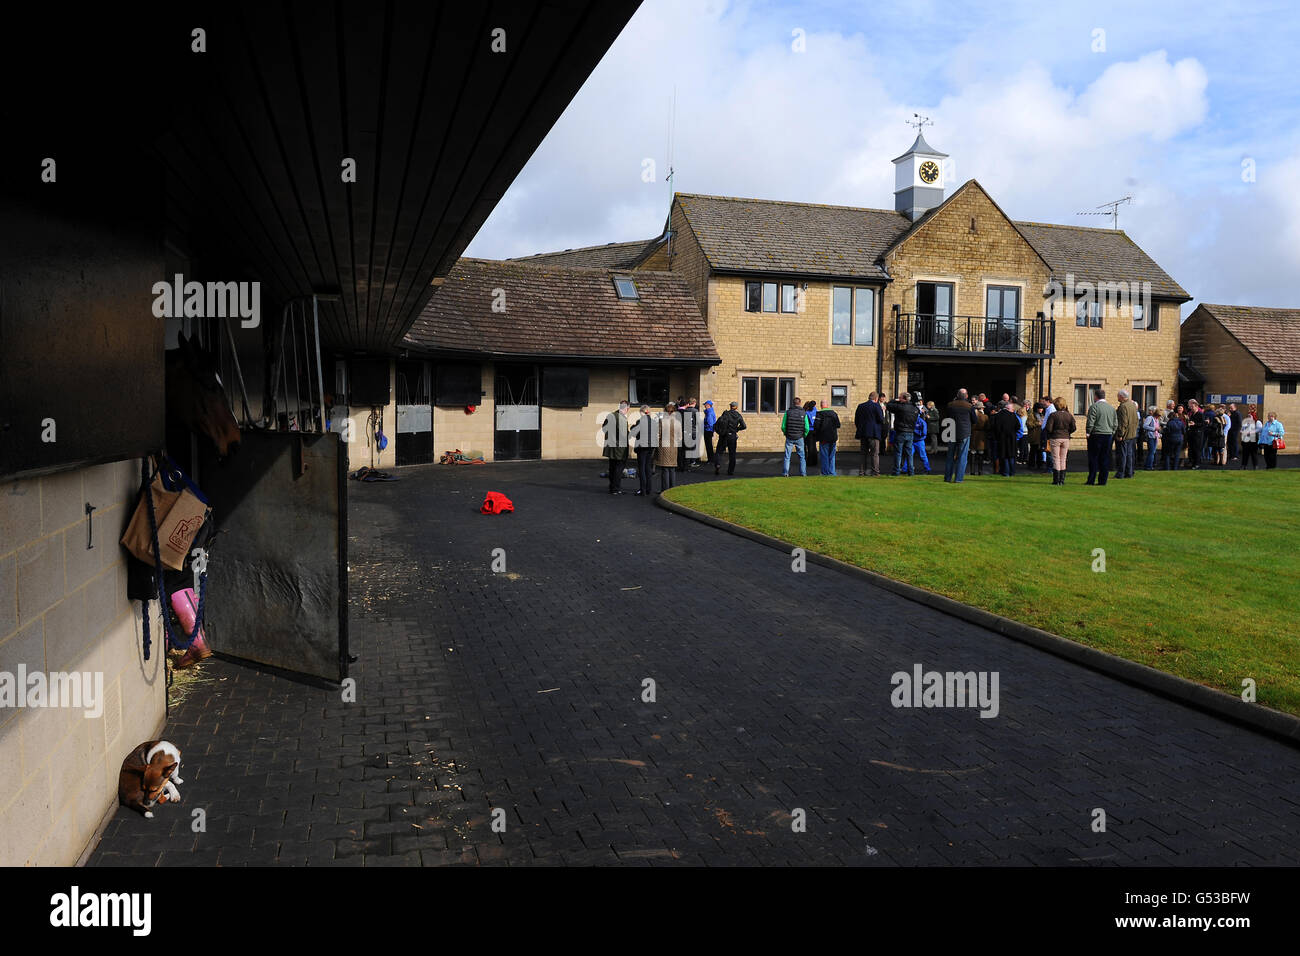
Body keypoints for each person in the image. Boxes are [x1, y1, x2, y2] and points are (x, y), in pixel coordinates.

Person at [944, 388, 976, 483]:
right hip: (964, 432)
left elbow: (947, 417)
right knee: (962, 457)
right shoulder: (970, 406)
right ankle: (958, 478)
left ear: (957, 395)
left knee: (950, 456)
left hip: (951, 431)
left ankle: (947, 477)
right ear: (966, 396)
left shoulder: (950, 405)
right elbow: (974, 420)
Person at [1085, 388, 1116, 485]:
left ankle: (1091, 479)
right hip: (1108, 435)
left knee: (1093, 458)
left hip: (1096, 434)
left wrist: (1088, 432)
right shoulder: (1111, 408)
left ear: (1095, 396)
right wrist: (1112, 432)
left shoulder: (1094, 407)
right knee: (1105, 458)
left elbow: (1091, 421)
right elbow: (1115, 423)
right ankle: (1103, 480)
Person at [1042, 397, 1076, 484]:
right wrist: (1067, 432)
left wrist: (1051, 434)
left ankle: (1056, 480)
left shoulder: (1053, 415)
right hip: (1065, 438)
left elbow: (1048, 428)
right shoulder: (1069, 415)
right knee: (1063, 459)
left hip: (1055, 437)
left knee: (1056, 458)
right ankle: (1062, 480)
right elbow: (1073, 428)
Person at [885, 392, 919, 475]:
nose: (899, 399)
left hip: (900, 432)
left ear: (903, 399)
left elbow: (888, 405)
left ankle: (896, 471)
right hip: (910, 432)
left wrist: (895, 400)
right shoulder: (915, 408)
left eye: (900, 397)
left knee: (898, 452)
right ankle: (911, 471)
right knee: (909, 453)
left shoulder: (900, 407)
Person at [855, 391, 885, 476]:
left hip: (863, 433)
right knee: (875, 454)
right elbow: (881, 419)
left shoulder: (861, 406)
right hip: (874, 433)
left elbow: (856, 420)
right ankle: (875, 472)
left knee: (863, 454)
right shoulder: (877, 406)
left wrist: (860, 428)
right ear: (876, 399)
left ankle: (862, 472)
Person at [603, 401, 630, 494]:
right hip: (619, 448)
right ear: (627, 408)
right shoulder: (621, 418)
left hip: (610, 446)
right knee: (619, 468)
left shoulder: (610, 415)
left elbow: (604, 428)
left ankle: (612, 487)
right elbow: (623, 434)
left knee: (612, 467)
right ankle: (616, 488)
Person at [712, 401, 746, 475]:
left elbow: (720, 423)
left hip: (724, 436)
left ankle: (717, 464)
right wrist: (737, 429)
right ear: (736, 407)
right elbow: (744, 426)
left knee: (719, 452)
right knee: (732, 454)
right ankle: (730, 471)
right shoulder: (738, 415)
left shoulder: (725, 414)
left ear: (730, 406)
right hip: (732, 436)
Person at [1113, 388, 1140, 479]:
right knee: (1129, 454)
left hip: (1125, 435)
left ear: (1121, 396)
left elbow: (1123, 422)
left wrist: (1120, 434)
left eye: (1118, 396)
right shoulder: (1132, 405)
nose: (1117, 398)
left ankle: (1121, 473)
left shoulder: (1123, 406)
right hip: (1132, 434)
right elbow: (1136, 420)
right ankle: (1129, 472)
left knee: (1123, 455)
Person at [655, 403, 681, 492]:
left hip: (664, 447)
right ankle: (672, 490)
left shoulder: (662, 421)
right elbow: (680, 437)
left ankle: (664, 490)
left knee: (665, 469)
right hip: (674, 447)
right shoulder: (678, 422)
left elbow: (658, 435)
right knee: (672, 469)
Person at [631, 404, 656, 496]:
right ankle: (648, 489)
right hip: (651, 446)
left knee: (642, 468)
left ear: (642, 412)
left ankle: (643, 490)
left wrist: (632, 428)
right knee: (648, 468)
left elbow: (634, 433)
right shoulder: (654, 422)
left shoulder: (640, 421)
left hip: (642, 447)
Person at [780, 396, 809, 476]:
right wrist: (804, 435)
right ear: (799, 403)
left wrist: (786, 433)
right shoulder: (804, 413)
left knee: (787, 456)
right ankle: (803, 473)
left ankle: (785, 473)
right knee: (802, 457)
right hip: (800, 437)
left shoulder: (788, 412)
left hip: (789, 437)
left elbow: (783, 426)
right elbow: (807, 427)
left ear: (793, 403)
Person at [992, 401, 1019, 476]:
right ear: (1008, 408)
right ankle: (1012, 472)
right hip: (1012, 438)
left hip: (1002, 438)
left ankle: (1006, 472)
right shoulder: (1013, 415)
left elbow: (996, 428)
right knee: (1012, 455)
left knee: (1004, 455)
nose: (1013, 410)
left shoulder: (998, 415)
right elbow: (1018, 426)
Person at [814, 400, 841, 475]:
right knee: (832, 456)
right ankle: (832, 472)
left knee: (824, 455)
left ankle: (825, 472)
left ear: (821, 405)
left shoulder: (819, 414)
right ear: (827, 405)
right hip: (833, 437)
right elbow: (838, 425)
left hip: (823, 438)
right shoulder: (834, 414)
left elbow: (816, 426)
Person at [1185, 399, 1205, 469]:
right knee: (1191, 449)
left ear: (1196, 406)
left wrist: (1195, 424)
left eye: (1192, 407)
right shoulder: (1192, 414)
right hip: (1191, 434)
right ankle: (1192, 462)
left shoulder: (1200, 414)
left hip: (1198, 434)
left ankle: (1196, 464)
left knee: (1197, 449)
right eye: (1190, 407)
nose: (1191, 408)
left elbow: (1203, 424)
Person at [970, 400, 988, 475]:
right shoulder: (985, 416)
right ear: (982, 408)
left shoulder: (972, 416)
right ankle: (980, 471)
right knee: (980, 453)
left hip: (973, 435)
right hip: (982, 436)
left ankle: (972, 471)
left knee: (973, 452)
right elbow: (988, 426)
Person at [1141, 406, 1161, 471]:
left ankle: (1148, 465)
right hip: (1150, 437)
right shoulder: (1149, 418)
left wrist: (1159, 434)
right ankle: (1149, 466)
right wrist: (1154, 428)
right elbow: (1145, 426)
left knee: (1153, 452)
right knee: (1151, 452)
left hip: (1155, 437)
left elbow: (1158, 428)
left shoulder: (1156, 419)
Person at [802, 400, 819, 472]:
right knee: (813, 446)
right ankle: (814, 461)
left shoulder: (807, 413)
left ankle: (809, 461)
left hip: (809, 431)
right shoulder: (816, 411)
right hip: (815, 430)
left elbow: (809, 422)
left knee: (809, 447)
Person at [701, 400, 717, 466]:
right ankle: (711, 459)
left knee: (709, 446)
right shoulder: (709, 412)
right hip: (709, 430)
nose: (704, 406)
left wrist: (703, 424)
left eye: (705, 404)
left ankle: (710, 460)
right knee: (709, 445)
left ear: (708, 405)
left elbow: (710, 423)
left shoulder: (709, 413)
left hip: (708, 430)